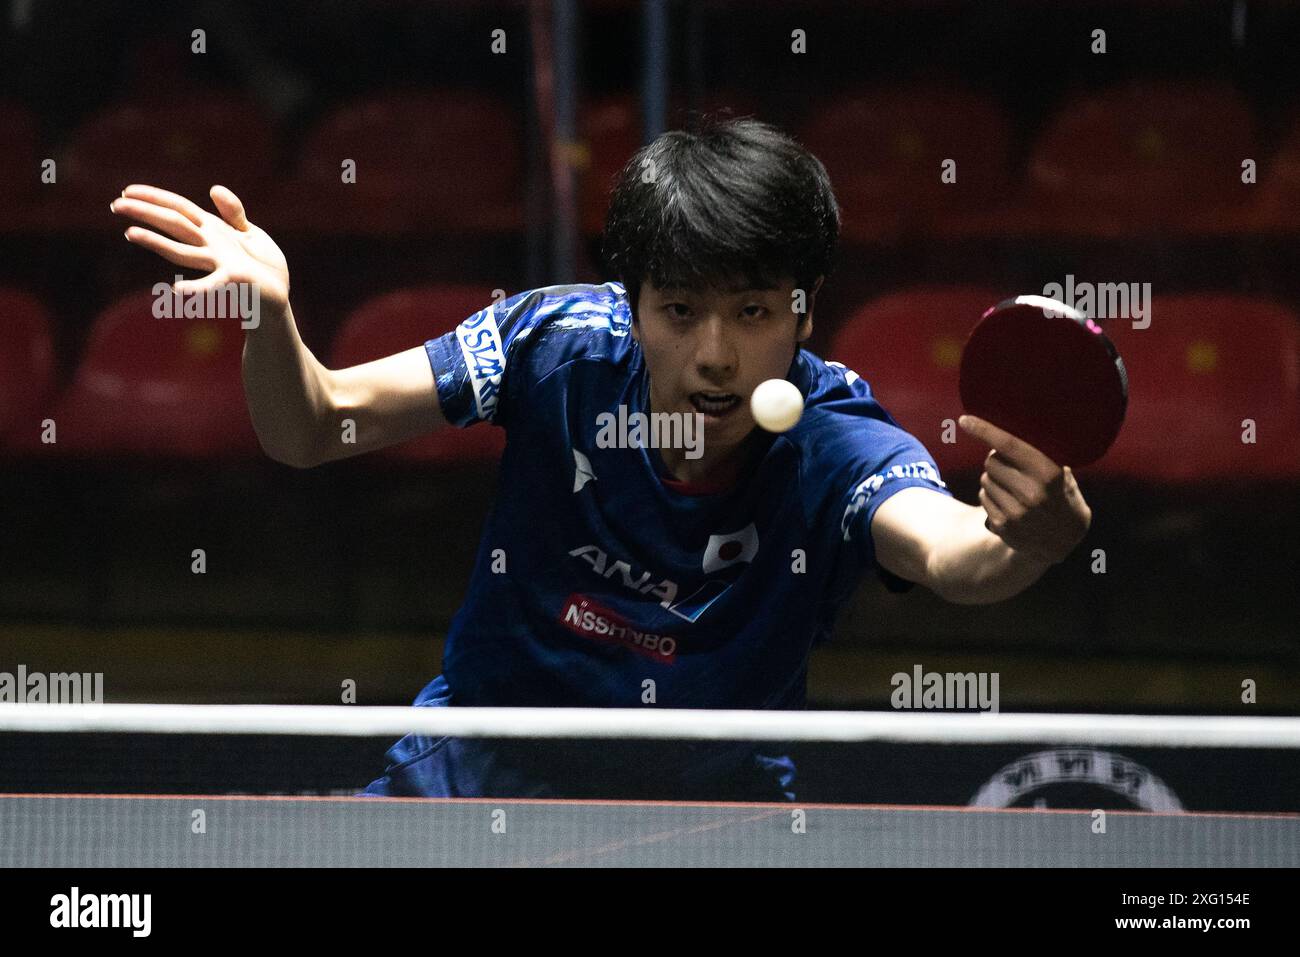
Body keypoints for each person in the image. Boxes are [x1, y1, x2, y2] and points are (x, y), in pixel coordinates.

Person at [111, 117, 1091, 802]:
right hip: (473, 771)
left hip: (709, 809)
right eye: (679, 311)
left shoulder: (832, 440)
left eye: (752, 312)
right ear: (628, 305)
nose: (714, 354)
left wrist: (1028, 543)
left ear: (804, 308)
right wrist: (272, 319)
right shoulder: (553, 348)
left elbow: (955, 553)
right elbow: (315, 426)